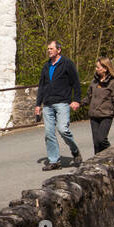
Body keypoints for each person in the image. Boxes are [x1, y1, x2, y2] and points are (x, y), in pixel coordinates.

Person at [34, 40, 81, 170]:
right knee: (49, 133)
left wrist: (76, 100)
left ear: (58, 50)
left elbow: (76, 83)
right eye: (48, 49)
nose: (49, 50)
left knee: (63, 129)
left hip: (62, 102)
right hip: (48, 104)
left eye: (51, 48)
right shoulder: (46, 66)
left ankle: (75, 150)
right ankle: (54, 161)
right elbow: (42, 86)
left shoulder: (67, 64)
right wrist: (38, 104)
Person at [86, 57, 114, 154]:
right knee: (96, 144)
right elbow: (89, 97)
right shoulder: (94, 82)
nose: (96, 69)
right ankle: (97, 164)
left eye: (98, 67)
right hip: (94, 116)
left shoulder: (113, 83)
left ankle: (111, 154)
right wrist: (77, 103)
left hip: (106, 115)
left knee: (101, 139)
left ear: (105, 68)